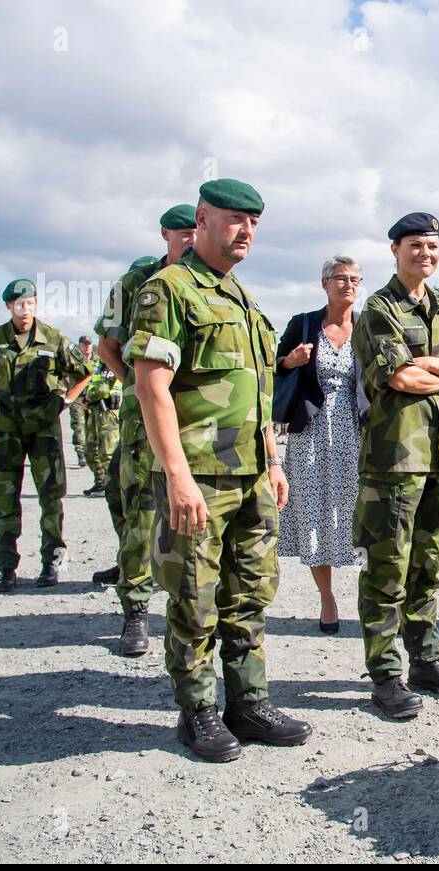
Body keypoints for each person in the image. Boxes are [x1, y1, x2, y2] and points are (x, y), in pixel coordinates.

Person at [128, 179, 311, 761]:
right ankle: (198, 712)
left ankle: (248, 703)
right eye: (235, 219)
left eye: (254, 222)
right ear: (202, 218)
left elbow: (257, 392)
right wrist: (177, 476)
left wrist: (275, 461)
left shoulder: (243, 298)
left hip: (253, 472)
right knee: (194, 595)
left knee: (250, 593)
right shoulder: (169, 290)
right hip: (199, 475)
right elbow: (151, 388)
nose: (246, 231)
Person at [352, 212, 439, 718]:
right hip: (394, 460)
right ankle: (386, 675)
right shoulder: (377, 309)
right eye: (415, 245)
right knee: (388, 568)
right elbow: (399, 380)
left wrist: (429, 364)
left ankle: (425, 659)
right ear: (395, 250)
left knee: (428, 565)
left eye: (432, 246)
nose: (425, 254)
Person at [93, 208, 197, 656]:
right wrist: (137, 389)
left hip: (200, 423)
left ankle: (190, 608)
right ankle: (135, 609)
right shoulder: (135, 284)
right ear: (165, 235)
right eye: (183, 232)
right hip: (143, 421)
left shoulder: (214, 282)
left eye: (198, 229)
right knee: (139, 510)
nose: (191, 239)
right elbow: (107, 346)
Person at [0, 279, 91, 591]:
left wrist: (65, 399)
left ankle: (51, 563)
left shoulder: (52, 338)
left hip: (44, 429)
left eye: (30, 303)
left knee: (51, 498)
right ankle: (6, 568)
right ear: (9, 306)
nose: (25, 309)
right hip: (6, 430)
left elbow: (84, 373)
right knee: (4, 500)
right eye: (19, 304)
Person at [275, 255, 365, 635]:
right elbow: (271, 366)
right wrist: (290, 361)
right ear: (324, 283)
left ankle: (372, 599)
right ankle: (327, 596)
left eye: (354, 279)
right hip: (311, 430)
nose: (348, 285)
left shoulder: (367, 326)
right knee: (313, 510)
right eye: (340, 278)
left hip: (357, 430)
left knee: (358, 511)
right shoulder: (305, 323)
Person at [81, 360, 121, 496]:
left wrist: (92, 396)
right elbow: (95, 384)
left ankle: (113, 486)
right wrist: (88, 397)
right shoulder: (99, 364)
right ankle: (101, 482)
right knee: (90, 450)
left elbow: (104, 389)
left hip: (109, 412)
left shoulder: (120, 360)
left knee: (108, 453)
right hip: (95, 410)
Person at [69, 337, 92, 469]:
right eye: (84, 344)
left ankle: (90, 454)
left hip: (92, 398)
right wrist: (69, 390)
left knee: (91, 428)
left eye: (89, 344)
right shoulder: (74, 360)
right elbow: (63, 376)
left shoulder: (98, 360)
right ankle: (81, 455)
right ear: (80, 346)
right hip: (77, 398)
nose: (87, 347)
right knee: (78, 426)